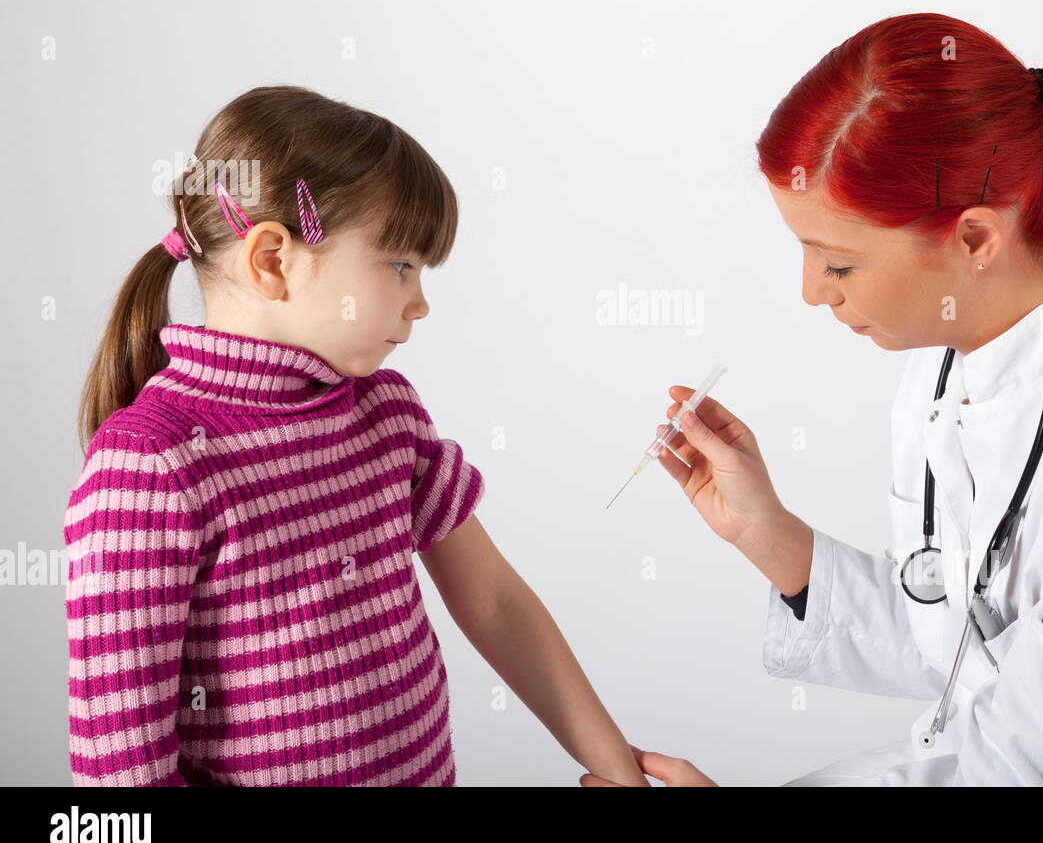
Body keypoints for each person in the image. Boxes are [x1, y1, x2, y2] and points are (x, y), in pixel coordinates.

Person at [580, 12, 1043, 787]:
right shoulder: (951, 364)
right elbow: (968, 636)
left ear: (976, 240)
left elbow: (1035, 767)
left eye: (839, 264)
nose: (809, 292)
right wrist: (769, 534)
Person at [65, 85, 648, 786]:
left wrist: (616, 766)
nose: (421, 301)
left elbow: (494, 602)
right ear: (273, 260)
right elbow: (120, 768)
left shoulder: (386, 416)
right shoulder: (150, 464)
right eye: (401, 265)